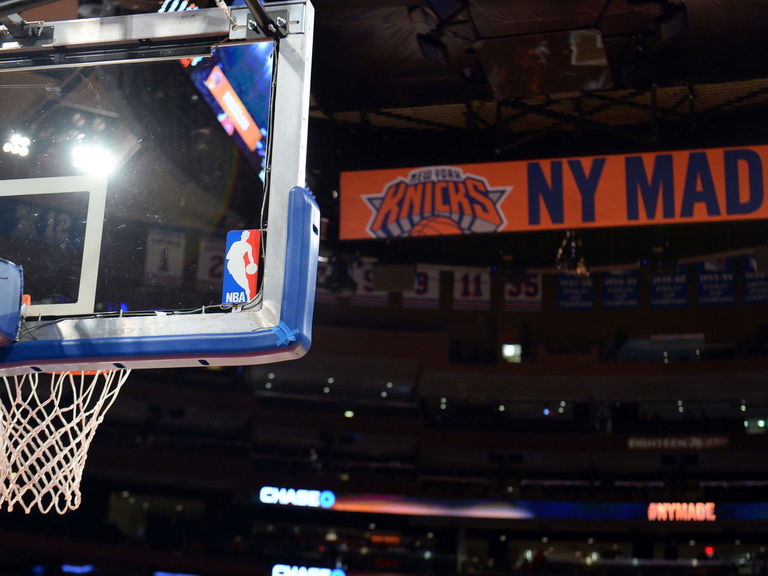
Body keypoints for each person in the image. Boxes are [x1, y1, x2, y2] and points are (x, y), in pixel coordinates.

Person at [226, 231, 258, 300]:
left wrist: (252, 264)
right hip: (233, 263)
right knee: (239, 280)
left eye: (247, 236)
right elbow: (227, 256)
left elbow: (251, 257)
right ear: (242, 236)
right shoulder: (235, 244)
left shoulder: (247, 246)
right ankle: (248, 295)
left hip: (239, 263)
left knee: (244, 281)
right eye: (245, 235)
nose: (246, 237)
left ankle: (248, 298)